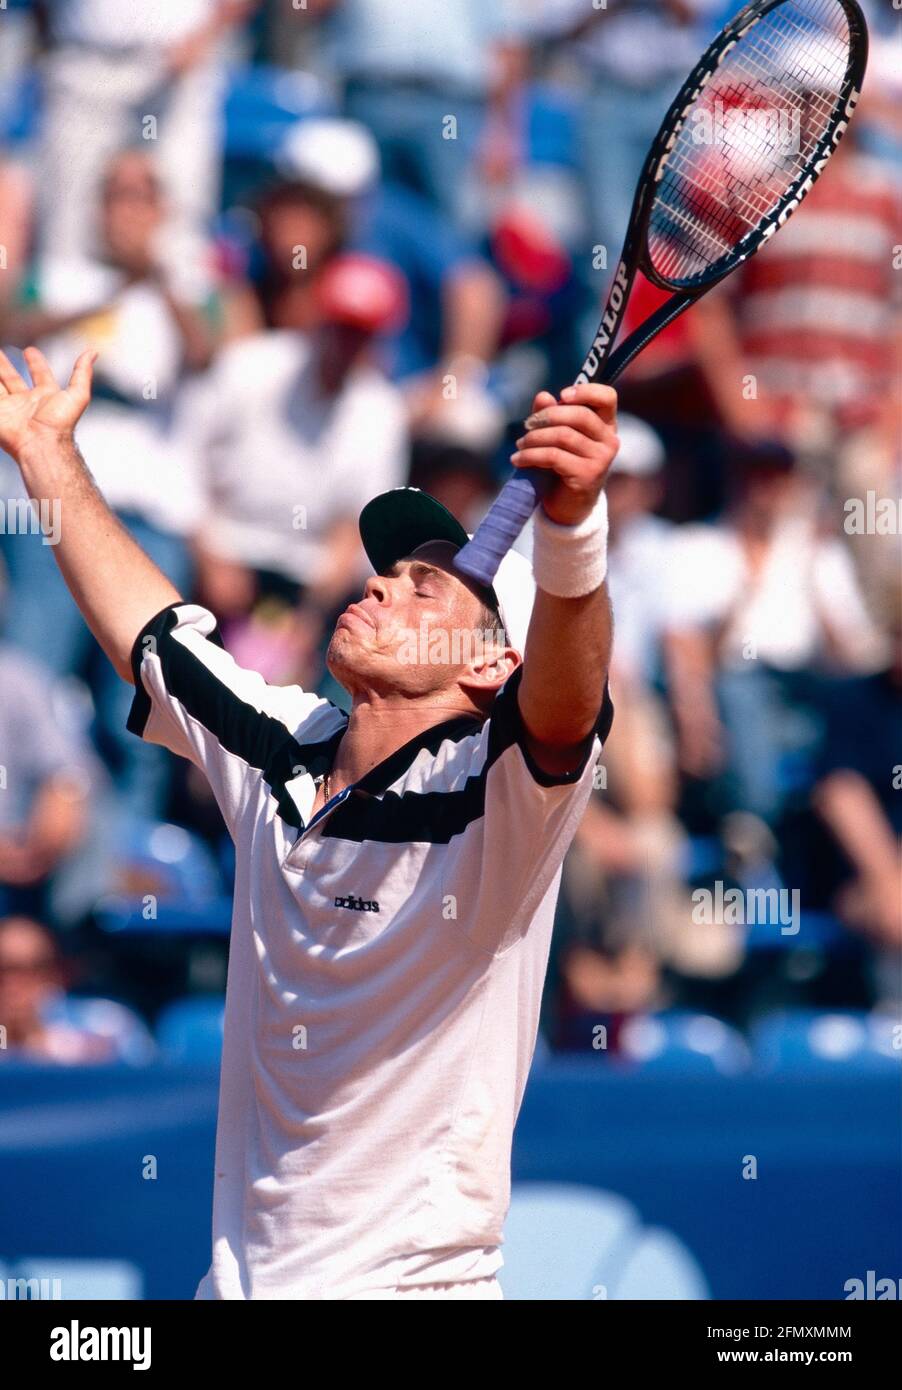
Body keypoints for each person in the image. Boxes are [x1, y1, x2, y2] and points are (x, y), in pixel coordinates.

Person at [0, 343, 617, 1300]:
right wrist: (44, 454)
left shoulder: (503, 801)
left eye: (425, 589)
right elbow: (152, 634)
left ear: (492, 668)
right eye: (386, 573)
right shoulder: (277, 749)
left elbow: (568, 708)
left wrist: (575, 535)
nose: (377, 586)